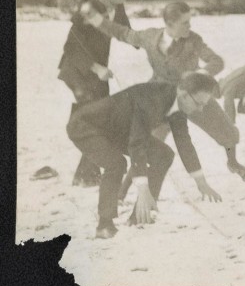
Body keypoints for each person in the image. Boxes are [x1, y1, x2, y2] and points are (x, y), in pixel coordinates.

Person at [84, 1, 245, 182]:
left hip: (193, 95)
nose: (189, 26)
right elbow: (123, 33)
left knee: (227, 132)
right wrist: (97, 20)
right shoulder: (149, 37)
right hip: (161, 100)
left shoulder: (193, 40)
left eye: (189, 21)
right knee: (147, 142)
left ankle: (233, 163)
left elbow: (216, 61)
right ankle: (124, 190)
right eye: (185, 23)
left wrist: (198, 74)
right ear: (169, 24)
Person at [67, 72, 224, 239]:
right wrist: (142, 187)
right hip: (86, 126)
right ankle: (104, 224)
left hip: (118, 129)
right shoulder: (152, 101)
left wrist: (201, 183)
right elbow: (137, 144)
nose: (200, 109)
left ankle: (141, 215)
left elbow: (184, 143)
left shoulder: (177, 104)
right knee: (116, 164)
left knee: (163, 155)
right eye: (199, 104)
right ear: (184, 94)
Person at [58, 0, 131, 187]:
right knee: (95, 116)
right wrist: (96, 67)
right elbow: (71, 46)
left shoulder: (117, 7)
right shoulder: (89, 8)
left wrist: (152, 45)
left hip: (99, 73)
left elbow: (126, 34)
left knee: (99, 115)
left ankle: (86, 174)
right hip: (78, 70)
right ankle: (85, 175)